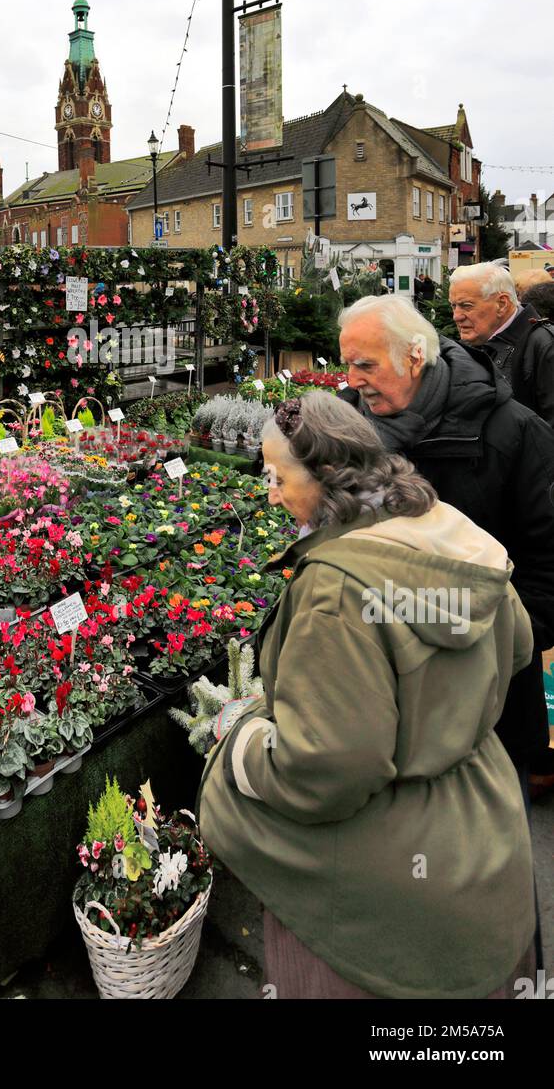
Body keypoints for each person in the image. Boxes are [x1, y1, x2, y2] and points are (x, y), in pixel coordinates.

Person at [197, 392, 535, 999]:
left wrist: (242, 738)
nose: (268, 492)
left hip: (385, 889)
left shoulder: (336, 589)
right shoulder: (440, 533)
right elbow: (518, 644)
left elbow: (327, 768)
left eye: (277, 476)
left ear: (327, 476)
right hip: (487, 840)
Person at [335, 294, 554, 779]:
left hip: (489, 695)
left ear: (414, 356)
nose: (352, 380)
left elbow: (548, 564)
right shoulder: (349, 429)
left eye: (365, 364)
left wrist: (494, 645)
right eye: (347, 364)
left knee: (482, 839)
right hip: (384, 693)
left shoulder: (511, 432)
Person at [449, 262, 554, 428]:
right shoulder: (470, 345)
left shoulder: (544, 344)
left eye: (466, 306)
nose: (456, 316)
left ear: (502, 304)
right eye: (453, 306)